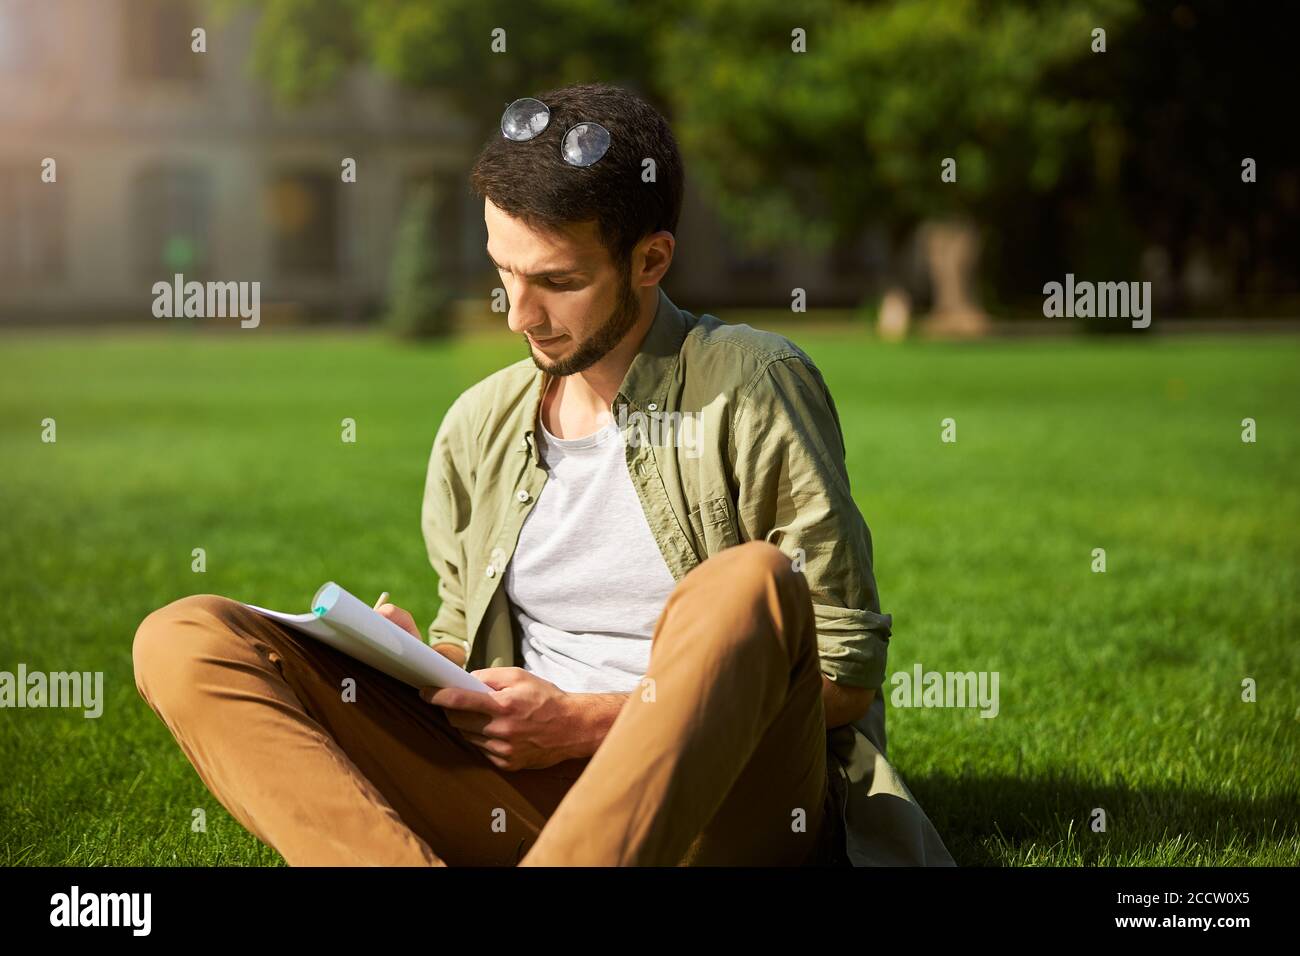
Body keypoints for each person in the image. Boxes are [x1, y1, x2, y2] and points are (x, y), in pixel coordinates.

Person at [132, 82, 954, 867]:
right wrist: (411, 659)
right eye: (504, 272)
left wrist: (580, 724)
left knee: (750, 584)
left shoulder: (751, 384)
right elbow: (465, 633)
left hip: (725, 806)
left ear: (651, 260)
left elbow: (842, 678)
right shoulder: (478, 423)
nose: (519, 316)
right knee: (186, 637)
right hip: (522, 796)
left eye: (557, 282)